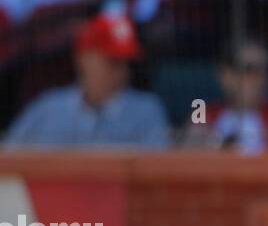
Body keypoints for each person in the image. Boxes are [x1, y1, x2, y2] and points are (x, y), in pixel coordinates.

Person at [4, 14, 169, 149]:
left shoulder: (146, 111)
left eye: (126, 62)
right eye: (113, 61)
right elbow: (7, 160)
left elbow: (156, 177)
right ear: (84, 58)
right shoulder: (47, 108)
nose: (122, 71)